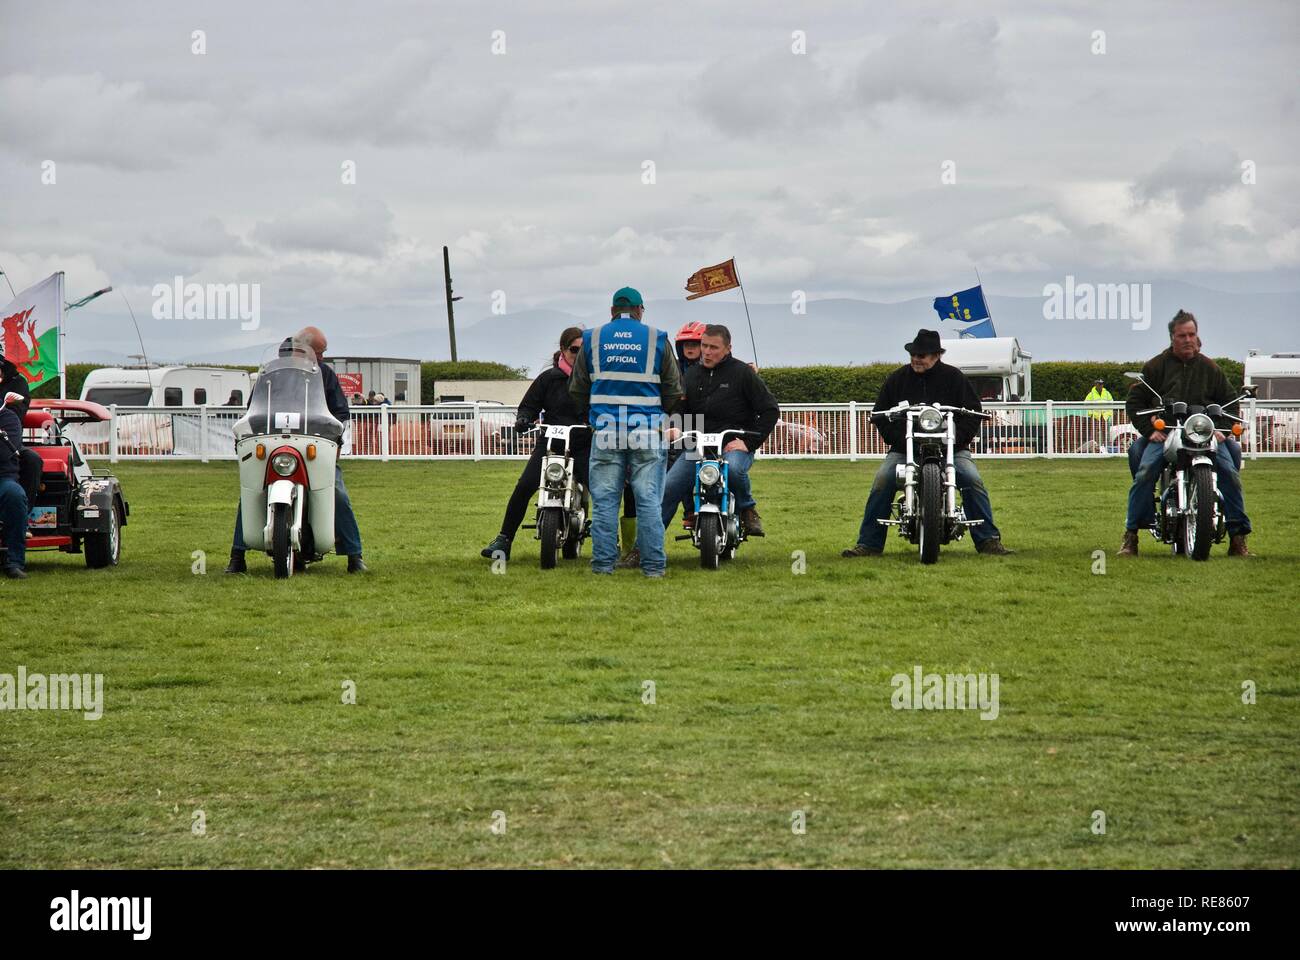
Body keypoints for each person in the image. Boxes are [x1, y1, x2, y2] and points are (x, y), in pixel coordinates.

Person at [842, 328, 1013, 557]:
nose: (915, 359)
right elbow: (880, 414)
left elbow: (973, 412)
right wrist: (898, 439)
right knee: (882, 480)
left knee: (972, 479)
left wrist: (957, 440)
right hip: (906, 450)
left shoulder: (954, 378)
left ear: (936, 356)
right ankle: (869, 544)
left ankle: (988, 541)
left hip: (951, 449)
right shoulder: (897, 379)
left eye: (921, 355)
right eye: (913, 354)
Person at [225, 326, 368, 573]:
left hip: (313, 444)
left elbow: (340, 412)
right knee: (253, 491)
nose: (322, 357)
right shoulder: (269, 375)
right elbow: (254, 409)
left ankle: (354, 556)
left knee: (336, 492)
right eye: (321, 352)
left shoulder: (324, 374)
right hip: (274, 443)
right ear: (306, 349)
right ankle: (237, 557)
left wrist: (335, 432)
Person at [569, 286, 683, 577]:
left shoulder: (592, 338)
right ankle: (654, 568)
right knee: (648, 501)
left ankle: (603, 566)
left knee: (606, 501)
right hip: (646, 430)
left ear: (611, 311)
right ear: (640, 311)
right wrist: (658, 413)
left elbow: (578, 387)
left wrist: (593, 415)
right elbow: (673, 387)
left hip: (606, 430)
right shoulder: (657, 338)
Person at [1118, 310, 1251, 557]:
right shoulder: (1156, 366)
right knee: (1145, 473)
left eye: (1192, 334)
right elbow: (1135, 402)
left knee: (1230, 474)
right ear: (1172, 337)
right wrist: (1149, 431)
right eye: (1182, 335)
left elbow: (1231, 402)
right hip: (1169, 433)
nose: (1188, 339)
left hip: (1205, 433)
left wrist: (1222, 429)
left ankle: (1238, 538)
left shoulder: (1211, 368)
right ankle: (1131, 535)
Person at [481, 327, 590, 561]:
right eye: (574, 350)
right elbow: (529, 406)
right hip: (550, 443)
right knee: (525, 486)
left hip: (583, 443)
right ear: (563, 349)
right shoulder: (548, 379)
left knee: (603, 489)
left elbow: (603, 406)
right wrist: (523, 419)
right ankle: (503, 539)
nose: (578, 355)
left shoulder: (593, 378)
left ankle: (609, 543)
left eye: (583, 351)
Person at [661, 324, 778, 536]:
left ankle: (747, 508)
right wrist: (674, 426)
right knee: (669, 487)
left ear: (728, 348)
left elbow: (770, 410)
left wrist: (748, 443)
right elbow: (680, 408)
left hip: (733, 444)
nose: (706, 351)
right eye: (704, 345)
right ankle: (646, 548)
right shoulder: (691, 375)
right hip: (698, 447)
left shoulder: (743, 373)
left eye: (713, 347)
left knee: (733, 469)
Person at [0, 391, 30, 579]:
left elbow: (4, 453)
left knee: (14, 494)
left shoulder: (8, 418)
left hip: (2, 477)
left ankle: (14, 561)